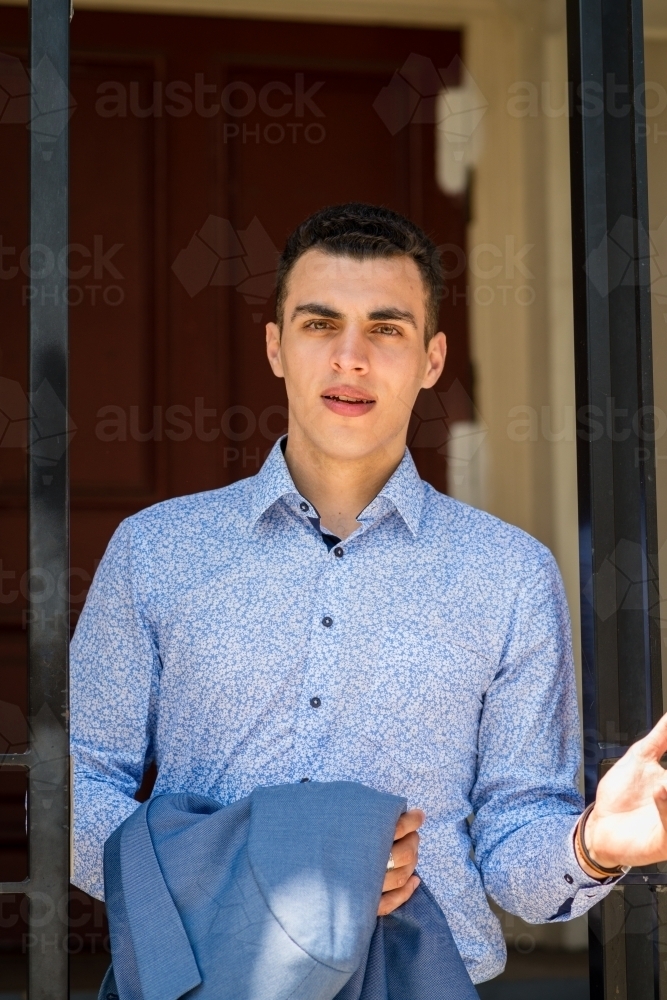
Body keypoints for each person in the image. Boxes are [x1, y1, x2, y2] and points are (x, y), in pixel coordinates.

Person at [70, 203, 667, 985]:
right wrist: (272, 867)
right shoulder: (157, 551)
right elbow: (72, 799)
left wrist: (592, 845)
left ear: (431, 357)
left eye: (386, 328)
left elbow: (513, 848)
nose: (351, 357)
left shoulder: (509, 573)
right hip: (203, 975)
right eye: (320, 324)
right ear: (275, 346)